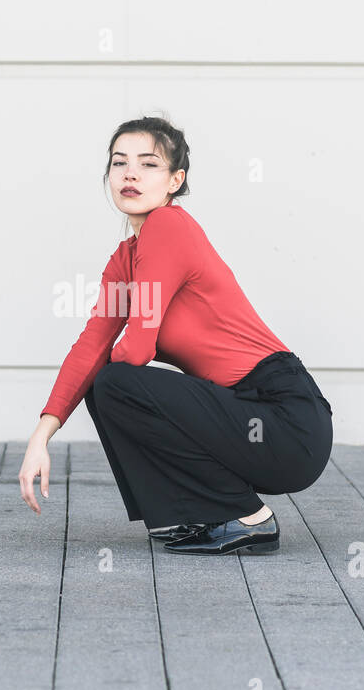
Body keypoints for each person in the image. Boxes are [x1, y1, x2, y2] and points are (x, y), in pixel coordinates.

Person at [18, 116, 333, 556]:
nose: (130, 174)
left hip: (284, 420)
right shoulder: (124, 261)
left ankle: (249, 518)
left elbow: (138, 347)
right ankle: (191, 514)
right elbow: (90, 346)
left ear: (175, 180)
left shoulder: (168, 227)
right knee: (105, 380)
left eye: (148, 164)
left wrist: (115, 368)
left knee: (115, 381)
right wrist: (40, 437)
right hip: (242, 415)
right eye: (119, 163)